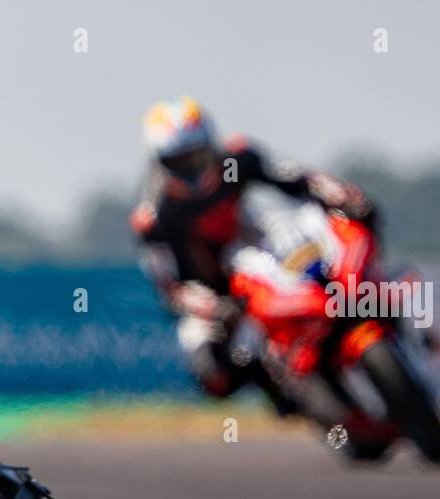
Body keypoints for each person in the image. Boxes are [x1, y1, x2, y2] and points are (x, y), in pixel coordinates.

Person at [130, 96, 376, 412]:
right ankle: (276, 387)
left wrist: (339, 195)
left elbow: (298, 177)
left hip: (257, 258)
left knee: (328, 264)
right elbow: (168, 285)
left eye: (198, 156)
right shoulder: (153, 216)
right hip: (211, 294)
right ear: (160, 162)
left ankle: (369, 319)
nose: (192, 168)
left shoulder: (238, 159)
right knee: (212, 372)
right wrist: (210, 306)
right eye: (180, 161)